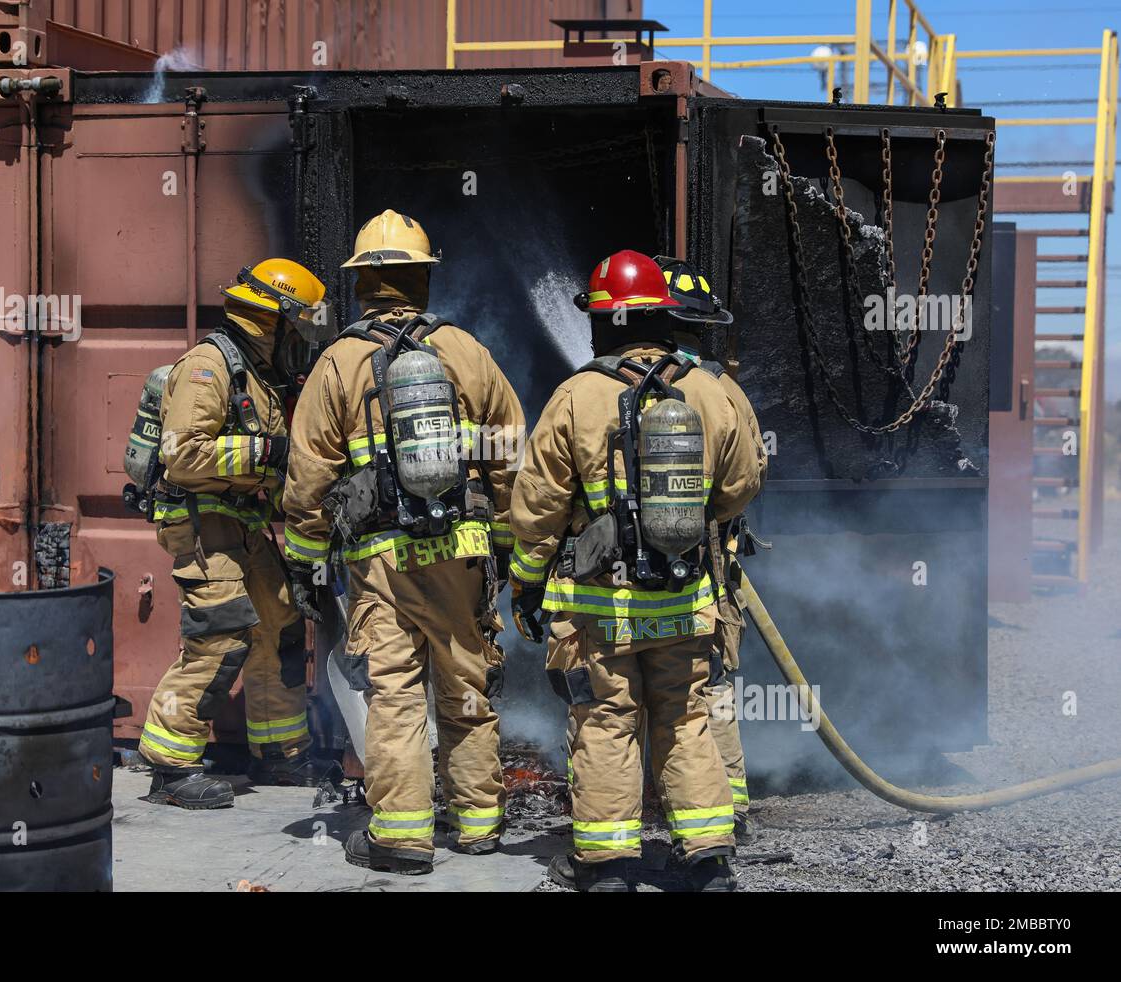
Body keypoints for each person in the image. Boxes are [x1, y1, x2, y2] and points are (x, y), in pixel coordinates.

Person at [509, 249, 763, 891]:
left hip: (602, 612)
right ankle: (706, 860)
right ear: (663, 315)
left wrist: (527, 584)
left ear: (601, 322)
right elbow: (742, 484)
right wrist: (690, 519)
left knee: (605, 721)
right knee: (686, 717)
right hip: (684, 601)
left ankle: (607, 866)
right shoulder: (710, 390)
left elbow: (536, 507)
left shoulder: (577, 397)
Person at [281, 210, 525, 875]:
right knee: (467, 685)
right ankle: (480, 825)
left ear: (362, 284)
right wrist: (504, 545)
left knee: (394, 692)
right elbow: (509, 455)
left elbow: (308, 478)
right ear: (422, 279)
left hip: (382, 558)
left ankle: (404, 837)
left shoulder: (339, 362)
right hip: (464, 549)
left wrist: (304, 561)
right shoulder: (467, 352)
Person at [138, 258, 335, 808]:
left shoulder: (257, 373)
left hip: (241, 524)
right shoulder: (209, 366)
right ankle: (170, 768)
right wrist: (265, 451)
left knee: (280, 626)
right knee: (220, 636)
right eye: (301, 322)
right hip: (202, 526)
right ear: (272, 318)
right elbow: (182, 455)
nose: (304, 335)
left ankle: (279, 754)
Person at [658, 256, 769, 844]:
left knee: (617, 691)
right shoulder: (723, 389)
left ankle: (623, 811)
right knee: (710, 682)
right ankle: (728, 809)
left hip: (619, 573)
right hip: (708, 566)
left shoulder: (620, 382)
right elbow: (750, 474)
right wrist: (709, 522)